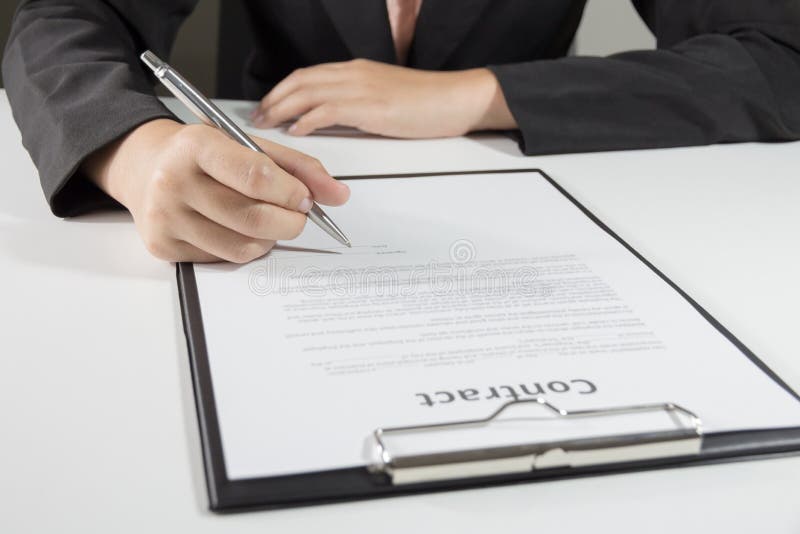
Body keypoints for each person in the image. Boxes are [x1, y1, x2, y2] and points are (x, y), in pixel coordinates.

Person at [3, 1, 800, 263]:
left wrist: (480, 93)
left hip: (526, 189)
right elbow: (63, 18)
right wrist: (133, 151)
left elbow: (778, 55)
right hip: (271, 162)